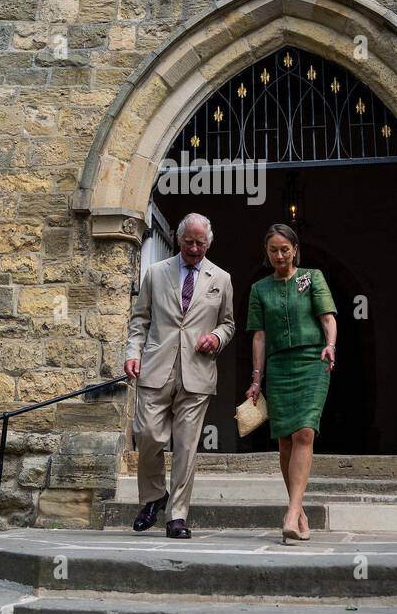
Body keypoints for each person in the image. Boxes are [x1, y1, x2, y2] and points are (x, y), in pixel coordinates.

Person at [123, 212, 235, 539]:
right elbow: (139, 320)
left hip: (197, 373)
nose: (195, 248)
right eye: (189, 242)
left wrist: (216, 338)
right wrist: (132, 354)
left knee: (186, 447)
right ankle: (155, 495)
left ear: (209, 243)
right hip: (155, 368)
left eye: (201, 243)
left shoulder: (221, 279)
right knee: (146, 435)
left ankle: (177, 517)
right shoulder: (156, 273)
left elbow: (228, 324)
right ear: (178, 239)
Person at [244, 224, 336, 543]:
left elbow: (327, 317)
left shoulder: (312, 277)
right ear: (267, 253)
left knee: (305, 431)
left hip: (313, 360)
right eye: (274, 250)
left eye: (285, 249)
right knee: (285, 440)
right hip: (279, 365)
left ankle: (289, 514)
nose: (280, 255)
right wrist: (257, 379)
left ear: (295, 249)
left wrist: (330, 344)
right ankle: (300, 512)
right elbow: (259, 335)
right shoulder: (259, 289)